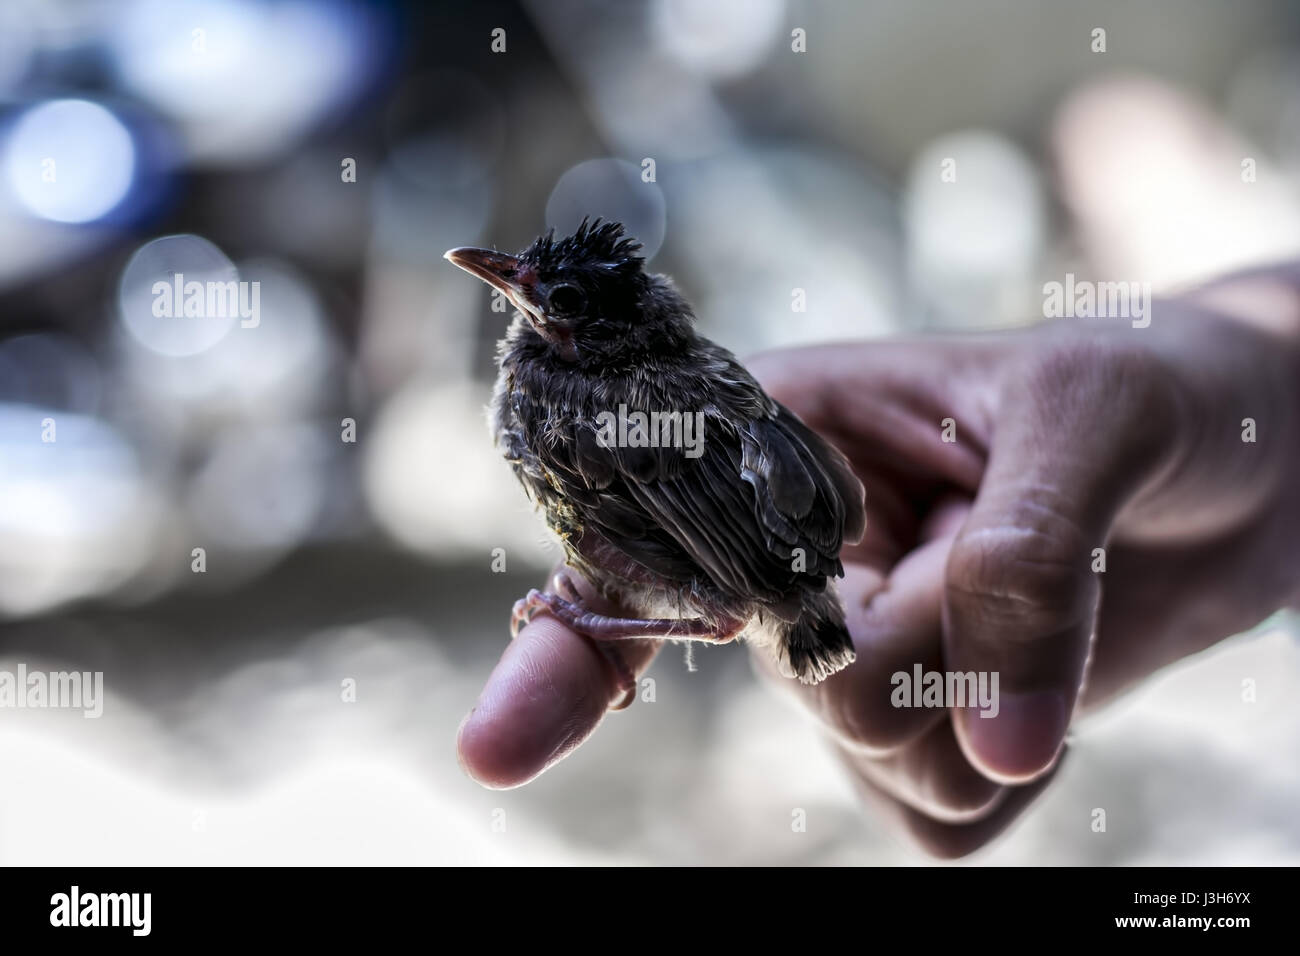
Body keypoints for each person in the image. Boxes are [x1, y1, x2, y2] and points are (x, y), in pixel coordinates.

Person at [456, 260, 1300, 857]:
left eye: (551, 295)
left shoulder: (577, 396)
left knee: (913, 737)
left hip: (755, 573)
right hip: (799, 564)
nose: (515, 288)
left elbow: (723, 606)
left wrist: (586, 610)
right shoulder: (646, 376)